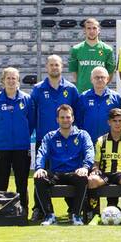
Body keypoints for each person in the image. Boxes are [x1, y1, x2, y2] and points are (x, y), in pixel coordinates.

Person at [30, 54, 79, 220]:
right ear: (46, 67)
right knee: (41, 175)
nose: (54, 68)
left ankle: (74, 209)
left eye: (56, 65)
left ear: (62, 67)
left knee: (69, 173)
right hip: (45, 141)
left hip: (68, 141)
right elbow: (31, 114)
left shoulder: (71, 89)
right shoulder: (37, 89)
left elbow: (76, 114)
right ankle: (39, 209)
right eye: (51, 65)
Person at [33, 104, 95, 226]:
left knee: (83, 178)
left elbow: (89, 151)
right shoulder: (50, 137)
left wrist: (85, 167)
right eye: (62, 117)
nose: (65, 120)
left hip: (74, 172)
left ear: (73, 118)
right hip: (56, 172)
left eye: (68, 117)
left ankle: (76, 215)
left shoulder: (82, 135)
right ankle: (49, 216)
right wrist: (39, 168)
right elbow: (42, 152)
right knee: (39, 178)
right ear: (57, 119)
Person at [0, 66, 35, 213]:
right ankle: (0, 211)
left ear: (18, 80)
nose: (11, 81)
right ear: (3, 81)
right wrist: (1, 137)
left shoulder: (26, 99)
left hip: (21, 147)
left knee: (22, 182)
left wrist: (23, 136)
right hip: (2, 147)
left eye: (14, 78)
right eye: (8, 78)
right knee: (1, 182)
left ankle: (23, 211)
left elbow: (32, 122)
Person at [86, 108, 121, 226]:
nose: (118, 124)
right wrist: (95, 170)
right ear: (109, 122)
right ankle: (95, 215)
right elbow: (96, 163)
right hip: (105, 174)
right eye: (115, 121)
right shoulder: (101, 141)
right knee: (92, 180)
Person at [76, 67, 121, 145]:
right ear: (91, 80)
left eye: (102, 77)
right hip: (88, 143)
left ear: (107, 79)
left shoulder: (116, 98)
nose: (100, 79)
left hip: (110, 143)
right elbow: (78, 120)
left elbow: (120, 120)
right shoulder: (83, 97)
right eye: (97, 77)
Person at [69, 17, 115, 92]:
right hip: (82, 93)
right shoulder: (76, 49)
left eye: (94, 28)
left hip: (100, 93)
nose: (92, 31)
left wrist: (101, 86)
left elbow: (110, 73)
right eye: (89, 28)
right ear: (84, 30)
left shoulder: (107, 50)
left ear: (99, 30)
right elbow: (74, 72)